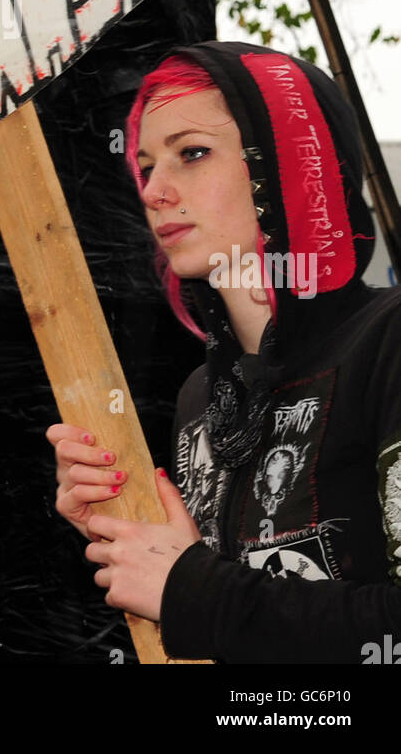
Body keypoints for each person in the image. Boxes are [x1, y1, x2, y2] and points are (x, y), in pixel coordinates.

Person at [48, 40, 401, 663]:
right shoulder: (201, 398)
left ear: (287, 163)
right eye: (147, 165)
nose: (155, 190)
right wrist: (124, 529)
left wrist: (192, 589)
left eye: (193, 153)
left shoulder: (389, 342)